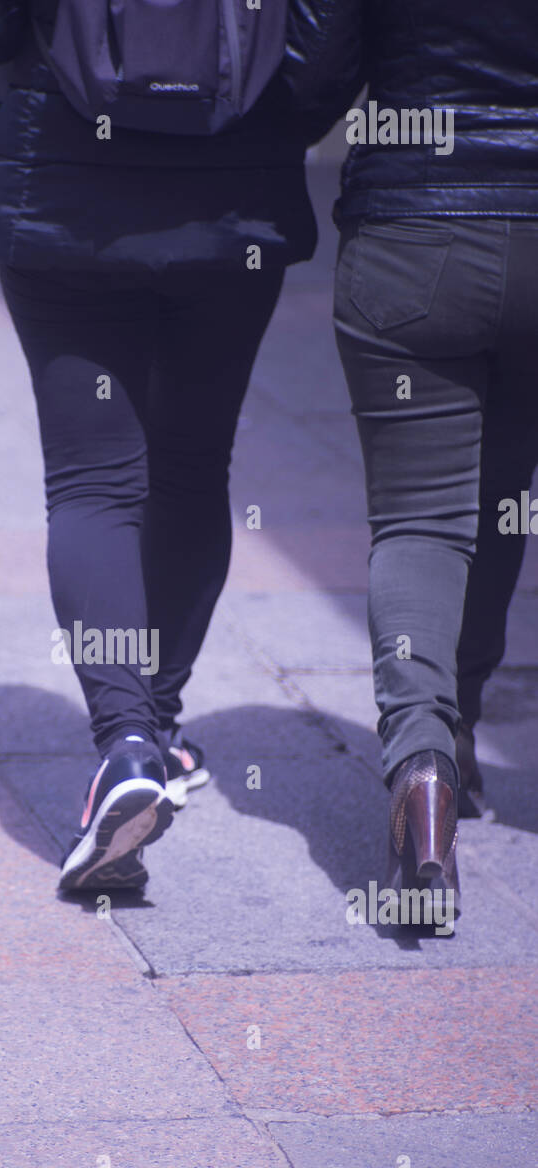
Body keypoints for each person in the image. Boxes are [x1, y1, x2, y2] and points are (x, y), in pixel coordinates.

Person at [0, 0, 320, 891]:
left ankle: (127, 743)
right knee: (191, 464)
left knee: (92, 481)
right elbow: (328, 45)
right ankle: (157, 729)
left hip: (67, 188)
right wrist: (252, 110)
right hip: (236, 189)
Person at [285, 0, 538, 914]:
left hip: (416, 235)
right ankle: (457, 730)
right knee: (503, 497)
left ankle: (423, 769)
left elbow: (310, 78)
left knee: (422, 517)